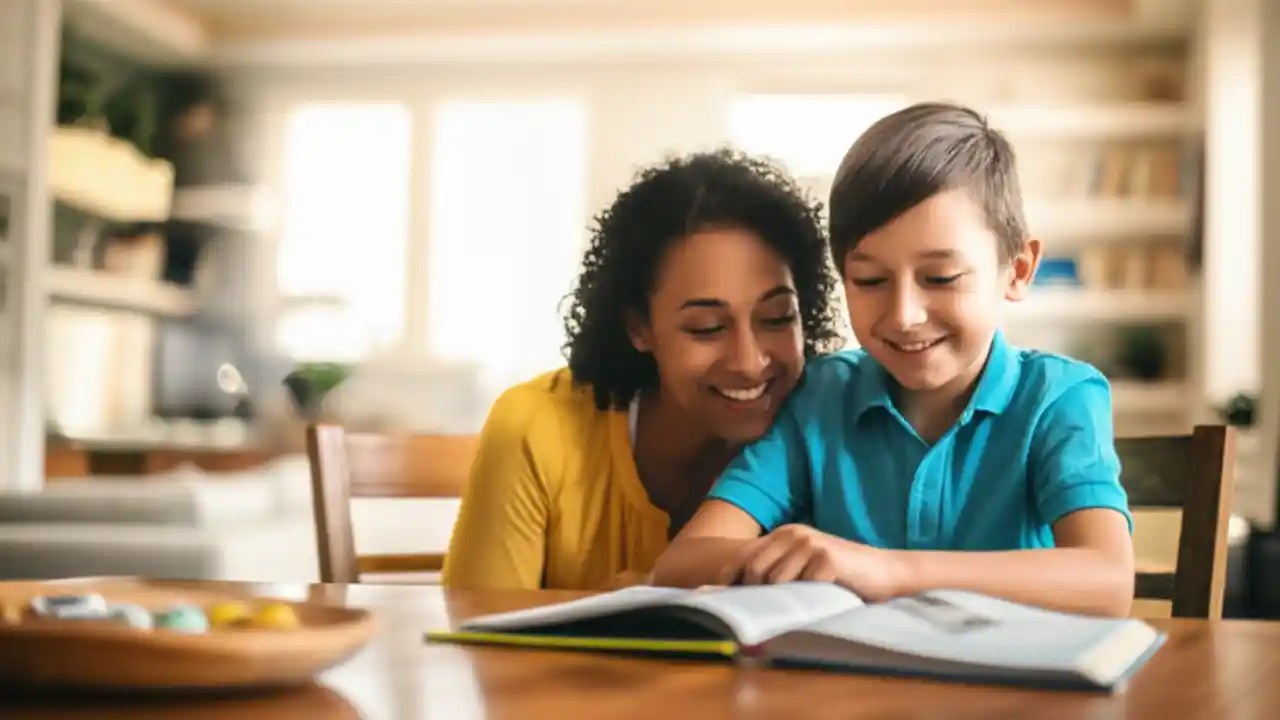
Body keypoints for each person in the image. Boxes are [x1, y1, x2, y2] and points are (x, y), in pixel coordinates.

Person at [652, 102, 1136, 617]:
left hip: (1012, 689)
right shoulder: (819, 398)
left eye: (940, 278)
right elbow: (684, 561)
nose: (903, 315)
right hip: (848, 688)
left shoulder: (1058, 397)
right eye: (870, 281)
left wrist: (889, 572)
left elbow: (1108, 582)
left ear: (1016, 270)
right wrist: (792, 559)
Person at [442, 149, 844, 590]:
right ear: (639, 328)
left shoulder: (830, 434)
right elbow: (474, 633)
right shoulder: (536, 428)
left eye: (778, 318)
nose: (749, 363)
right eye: (706, 328)